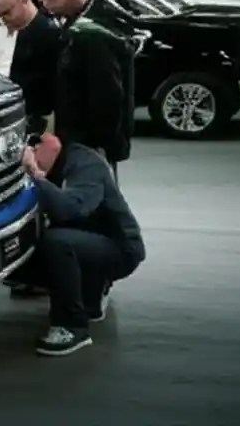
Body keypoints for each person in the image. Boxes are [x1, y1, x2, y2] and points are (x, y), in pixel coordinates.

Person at [21, 133, 145, 356]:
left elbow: (72, 208)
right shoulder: (61, 165)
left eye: (33, 147)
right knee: (37, 248)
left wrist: (34, 175)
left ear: (50, 143)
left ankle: (72, 326)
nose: (31, 154)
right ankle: (91, 294)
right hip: (93, 240)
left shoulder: (86, 163)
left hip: (120, 249)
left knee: (56, 243)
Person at [34, 0, 136, 177]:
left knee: (94, 201)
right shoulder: (79, 21)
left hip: (90, 143)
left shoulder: (91, 33)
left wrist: (102, 144)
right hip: (79, 139)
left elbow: (108, 95)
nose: (43, 4)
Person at [0, 0, 63, 135]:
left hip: (43, 117)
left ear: (24, 0)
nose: (3, 20)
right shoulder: (12, 31)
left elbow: (56, 86)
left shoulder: (50, 33)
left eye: (7, 12)